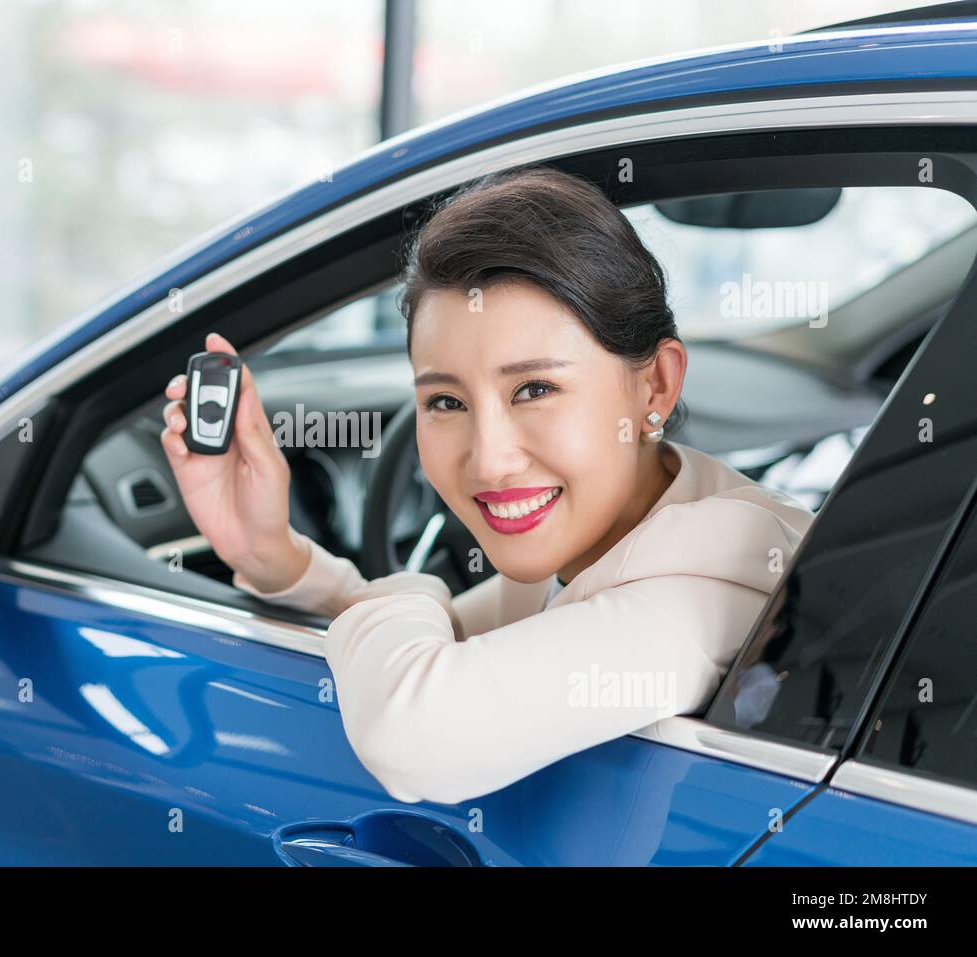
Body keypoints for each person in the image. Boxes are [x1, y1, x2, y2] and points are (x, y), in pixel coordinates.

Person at [158, 166, 815, 805]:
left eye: (534, 389)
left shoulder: (720, 568)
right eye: (445, 402)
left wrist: (415, 587)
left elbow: (413, 730)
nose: (490, 462)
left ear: (656, 385)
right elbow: (454, 641)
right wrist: (274, 553)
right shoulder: (603, 530)